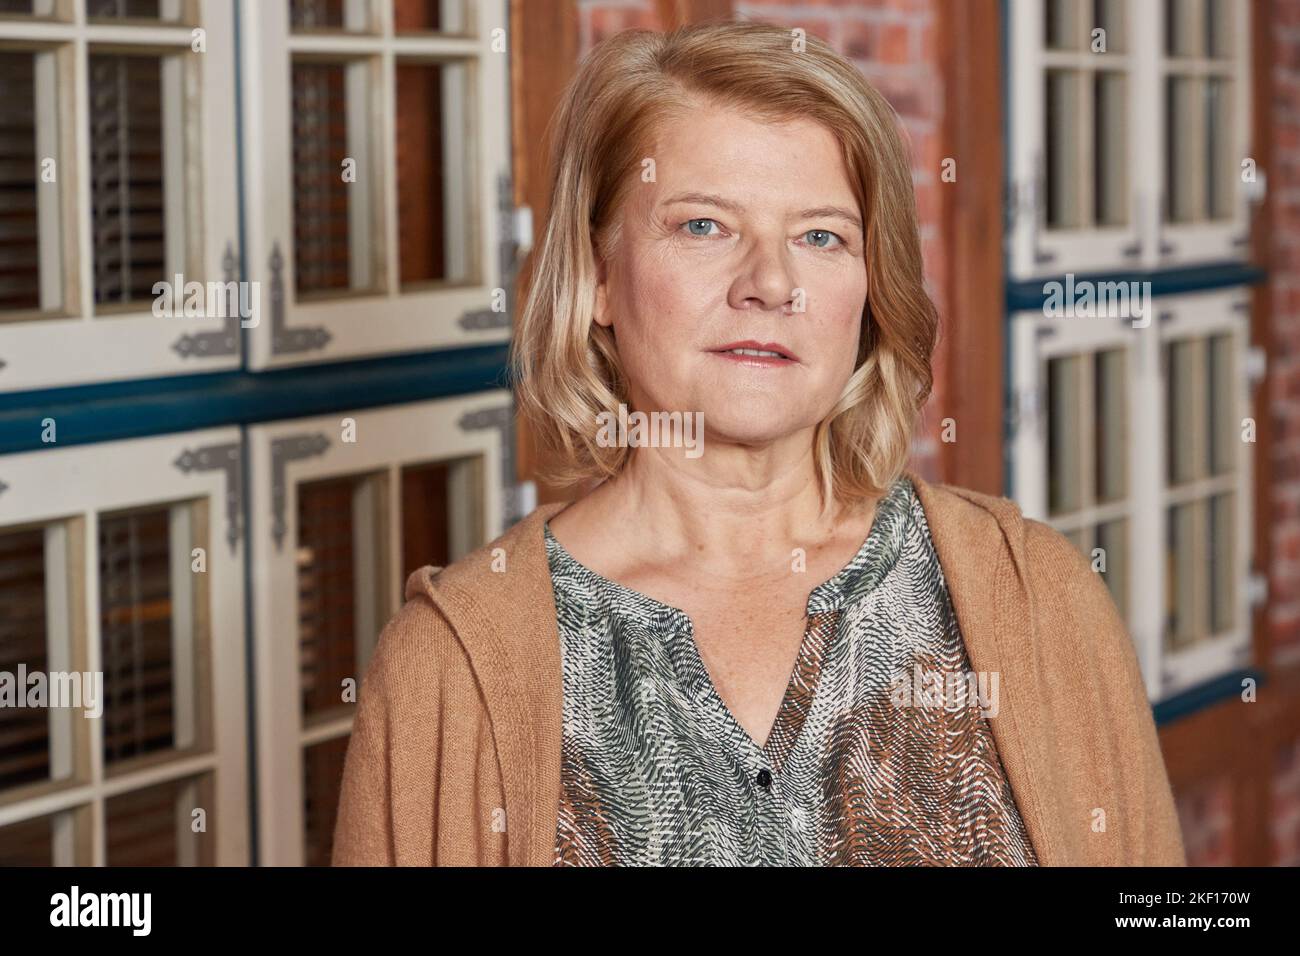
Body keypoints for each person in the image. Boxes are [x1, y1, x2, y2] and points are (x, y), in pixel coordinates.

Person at [332, 20, 1185, 867]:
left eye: (821, 236)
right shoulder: (448, 673)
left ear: (868, 289)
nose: (771, 284)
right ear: (597, 278)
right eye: (704, 226)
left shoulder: (1040, 600)